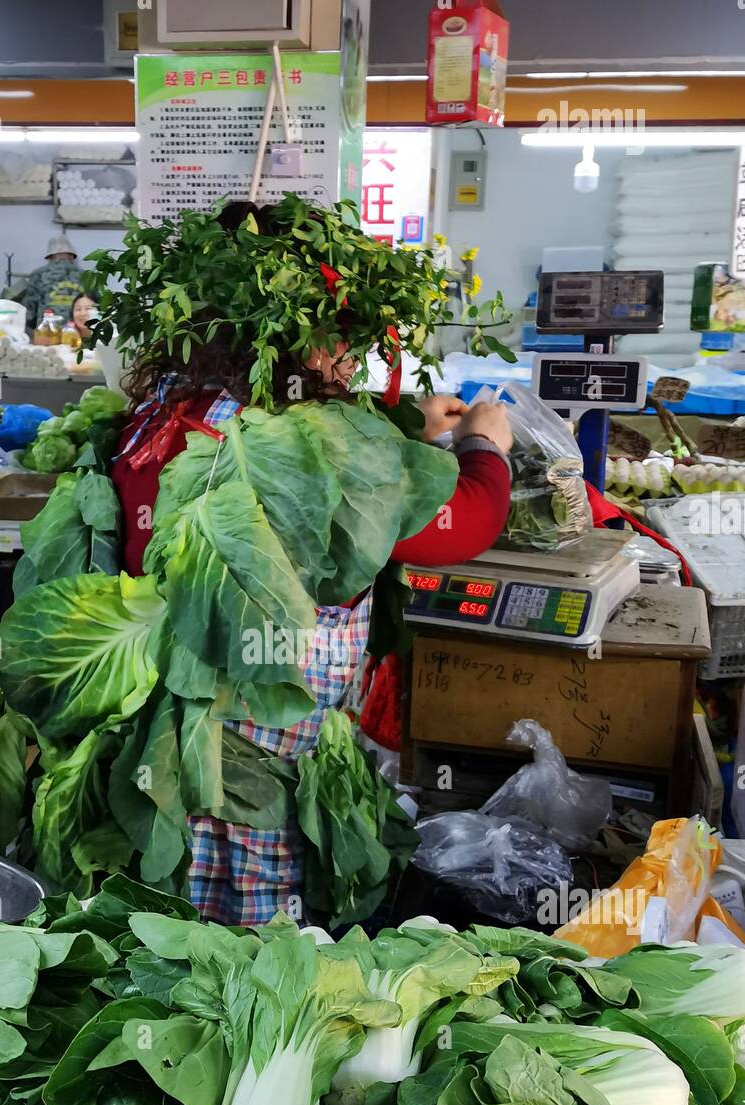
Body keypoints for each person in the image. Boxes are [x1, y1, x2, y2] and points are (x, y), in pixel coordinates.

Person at [109, 201, 512, 926]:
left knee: (179, 936)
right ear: (291, 336)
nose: (350, 360)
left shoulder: (165, 413)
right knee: (260, 969)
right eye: (338, 339)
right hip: (264, 765)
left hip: (177, 749)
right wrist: (486, 447)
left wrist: (405, 425)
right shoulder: (316, 444)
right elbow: (461, 525)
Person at [12, 235, 86, 330]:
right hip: (78, 334)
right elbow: (98, 307)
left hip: (47, 333)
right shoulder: (86, 275)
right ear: (72, 256)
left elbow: (29, 310)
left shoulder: (38, 274)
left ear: (50, 257)